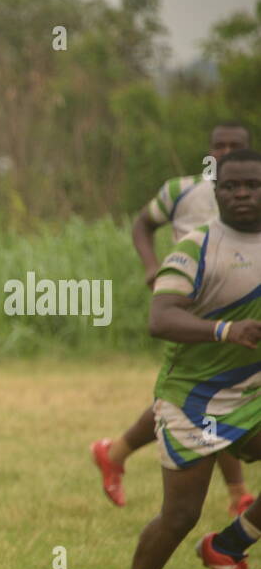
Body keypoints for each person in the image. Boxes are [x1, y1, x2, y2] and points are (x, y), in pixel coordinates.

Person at [109, 149, 261, 569]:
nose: (243, 194)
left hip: (252, 391)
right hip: (193, 399)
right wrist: (225, 331)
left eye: (253, 185)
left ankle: (230, 545)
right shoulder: (196, 247)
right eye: (232, 186)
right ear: (216, 192)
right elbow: (161, 318)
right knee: (180, 515)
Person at [94, 122, 254, 514]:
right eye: (219, 145)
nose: (225, 152)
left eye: (236, 146)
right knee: (190, 399)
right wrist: (151, 267)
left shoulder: (250, 194)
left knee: (209, 397)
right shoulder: (180, 191)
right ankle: (236, 495)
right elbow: (142, 224)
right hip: (189, 310)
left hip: (237, 309)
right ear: (209, 150)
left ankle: (115, 452)